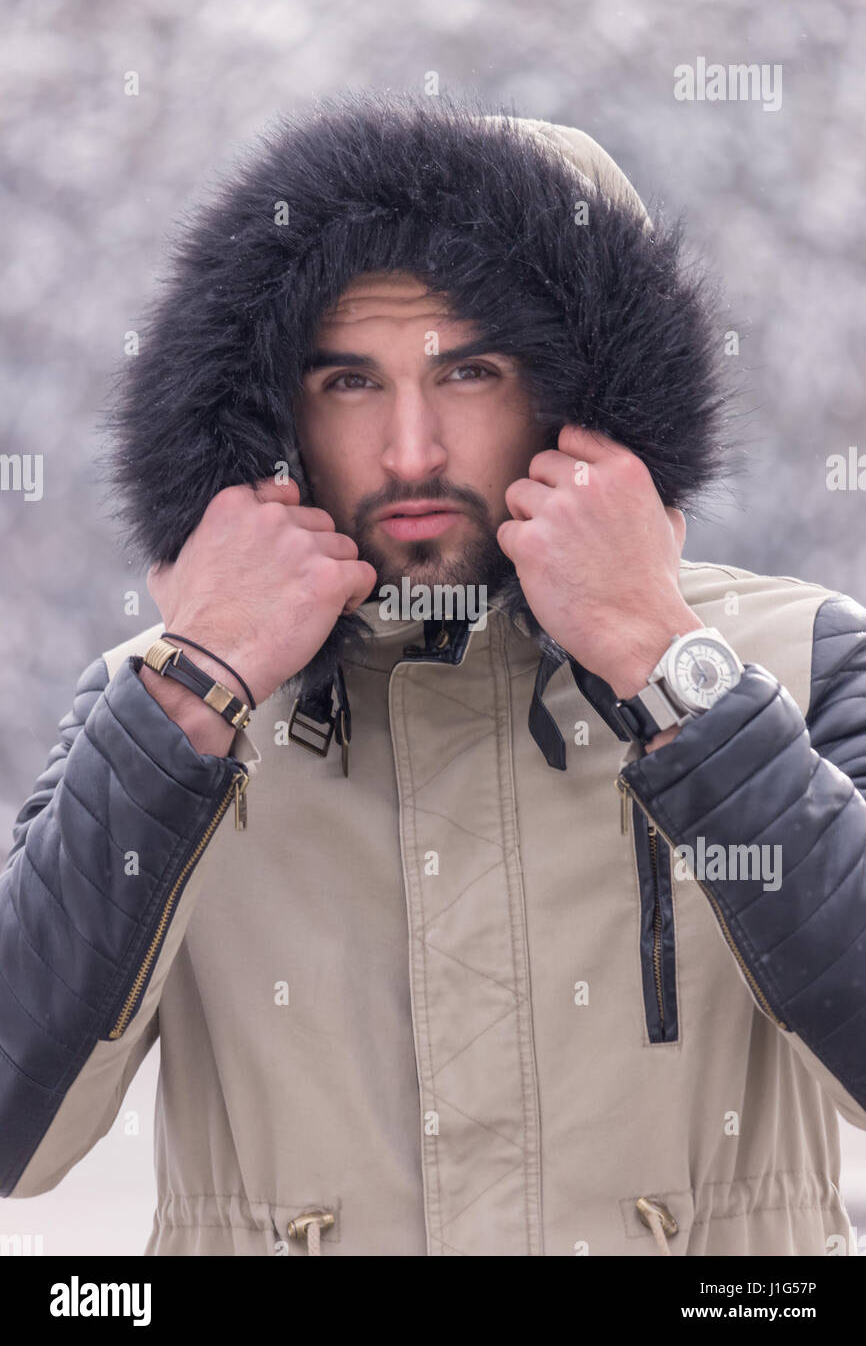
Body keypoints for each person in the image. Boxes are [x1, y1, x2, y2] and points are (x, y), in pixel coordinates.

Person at [1, 88, 865, 1257]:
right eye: (348, 381)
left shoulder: (797, 659)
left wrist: (666, 669)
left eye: (470, 373)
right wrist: (195, 686)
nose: (410, 450)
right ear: (273, 410)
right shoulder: (165, 706)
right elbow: (16, 1133)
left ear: (583, 395)